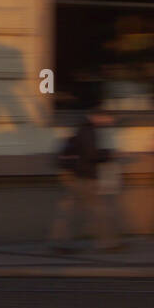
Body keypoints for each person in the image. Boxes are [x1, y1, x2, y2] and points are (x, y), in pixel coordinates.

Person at [49, 107, 122, 251]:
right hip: (84, 178)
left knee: (68, 211)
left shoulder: (82, 128)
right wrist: (110, 154)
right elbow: (91, 155)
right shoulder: (89, 130)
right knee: (99, 210)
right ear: (98, 116)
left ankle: (59, 243)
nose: (109, 121)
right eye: (108, 118)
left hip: (75, 176)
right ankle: (107, 243)